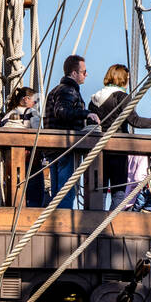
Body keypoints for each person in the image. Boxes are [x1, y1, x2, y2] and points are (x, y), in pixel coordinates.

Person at [88, 64, 151, 208]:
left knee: (100, 190)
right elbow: (135, 121)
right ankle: (113, 225)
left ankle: (97, 222)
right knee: (119, 191)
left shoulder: (94, 100)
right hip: (118, 149)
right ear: (122, 79)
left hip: (98, 150)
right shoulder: (121, 97)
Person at [43, 54, 100, 209]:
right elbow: (61, 111)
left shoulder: (57, 90)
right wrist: (86, 114)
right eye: (83, 72)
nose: (86, 74)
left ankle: (56, 221)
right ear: (74, 73)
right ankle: (63, 224)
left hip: (54, 147)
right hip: (65, 147)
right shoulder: (68, 90)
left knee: (57, 192)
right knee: (66, 191)